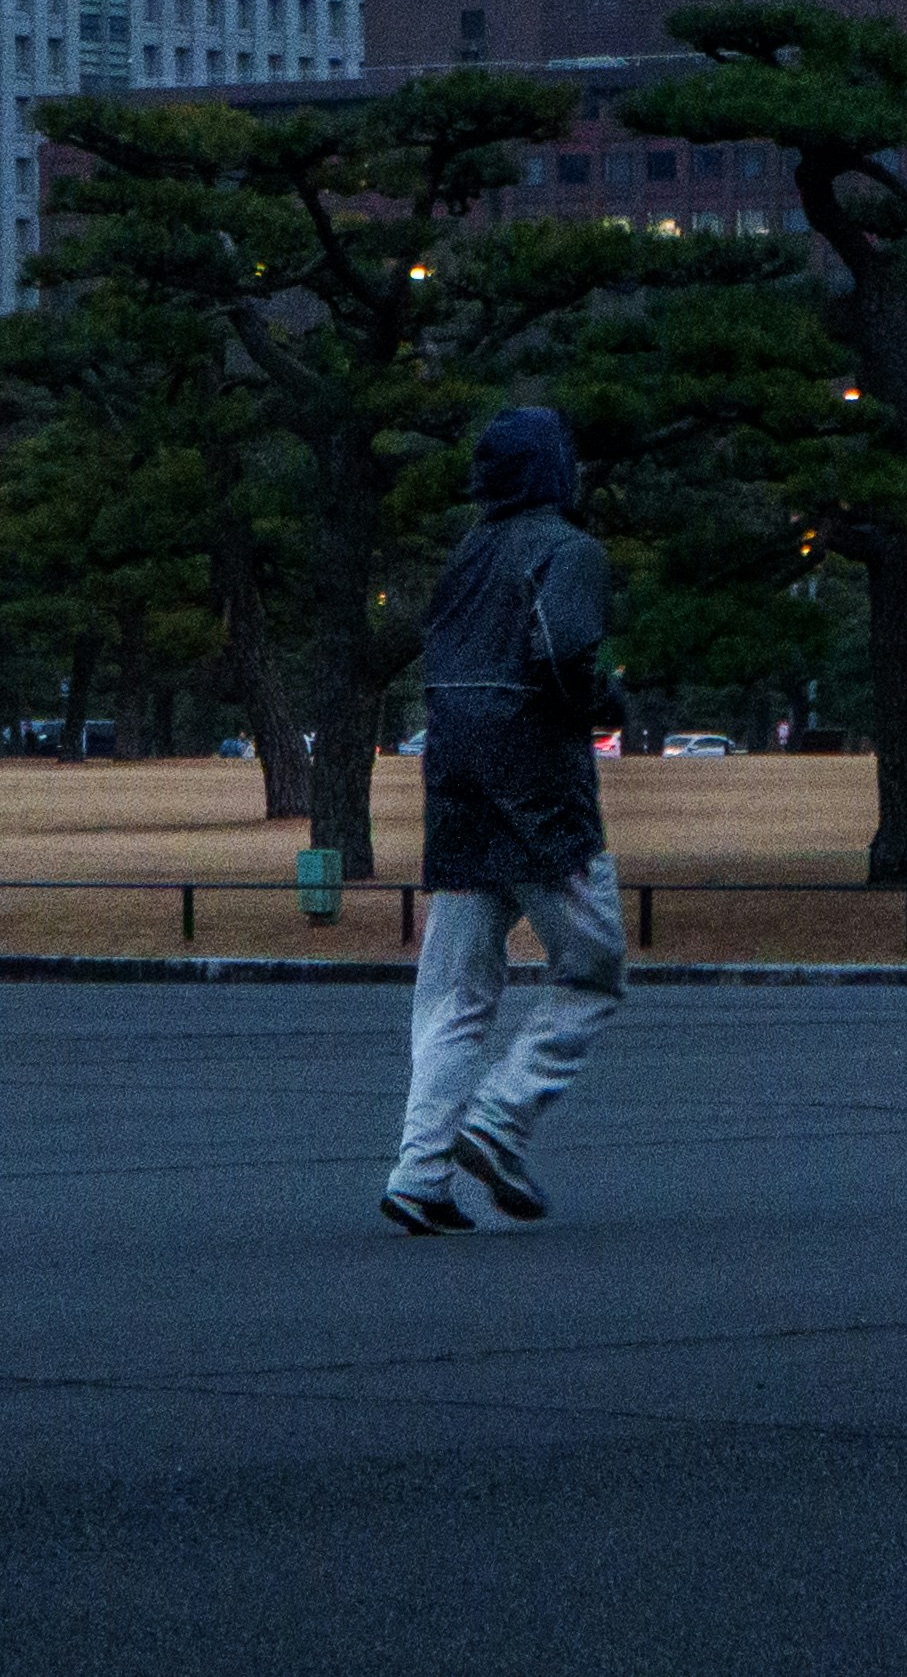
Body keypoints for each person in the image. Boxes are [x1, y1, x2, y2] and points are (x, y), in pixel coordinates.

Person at [382, 405, 625, 1236]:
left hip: (454, 777)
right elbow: (563, 650)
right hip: (538, 784)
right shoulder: (571, 550)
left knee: (452, 993)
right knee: (592, 967)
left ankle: (420, 1172)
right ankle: (502, 1119)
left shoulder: (468, 556)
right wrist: (602, 700)